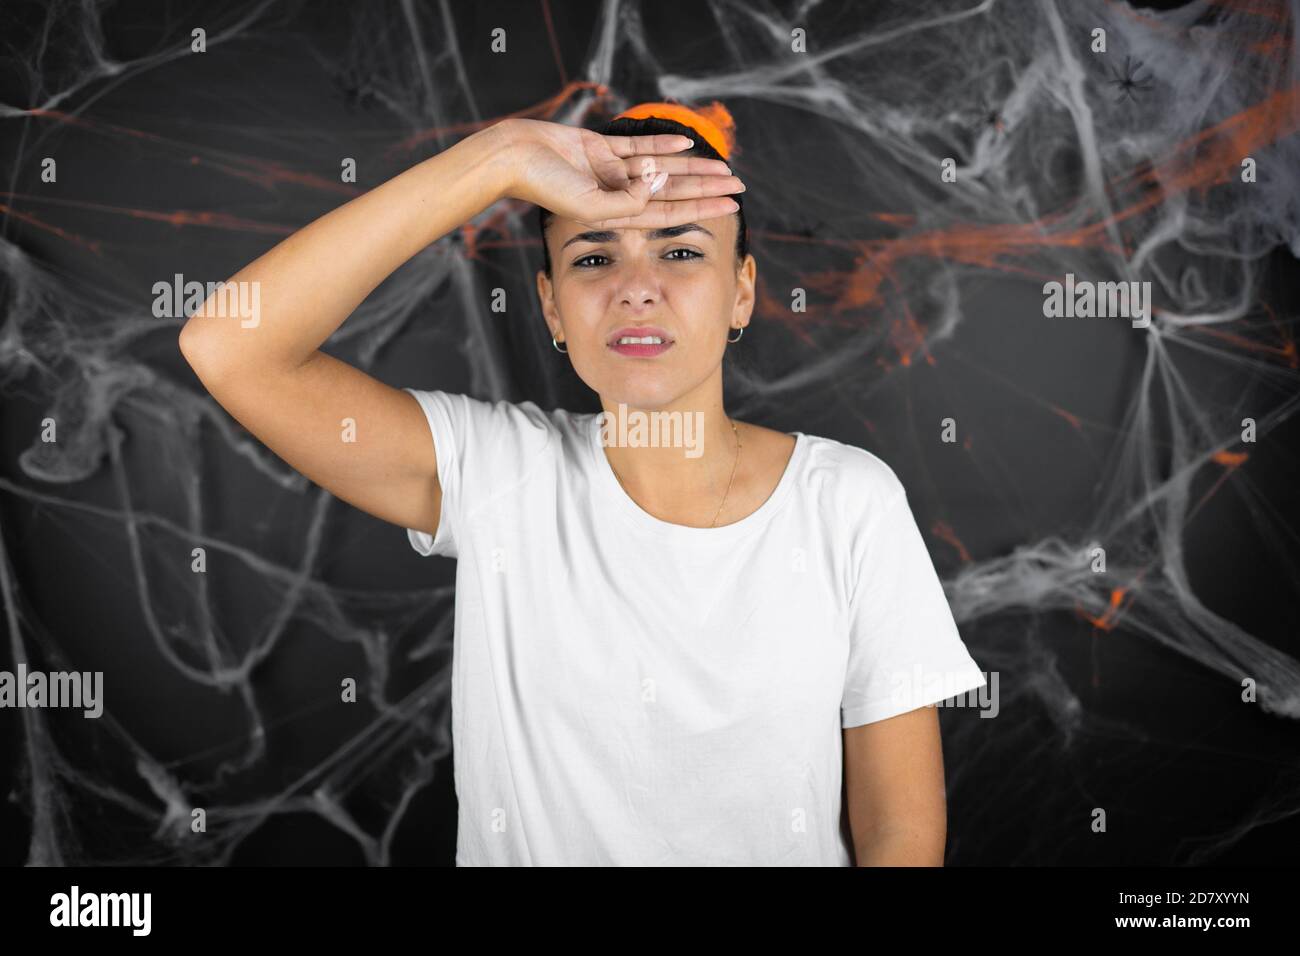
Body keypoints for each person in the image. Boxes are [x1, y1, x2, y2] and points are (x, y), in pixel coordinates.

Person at [178, 101, 986, 866]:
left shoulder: (849, 503)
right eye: (595, 256)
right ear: (553, 307)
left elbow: (898, 829)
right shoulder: (496, 475)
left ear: (742, 292)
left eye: (680, 250)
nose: (637, 287)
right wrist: (493, 159)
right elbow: (231, 348)